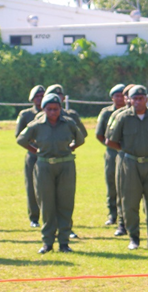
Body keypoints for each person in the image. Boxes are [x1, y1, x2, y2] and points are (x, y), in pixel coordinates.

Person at [107, 85, 148, 250]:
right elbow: (110, 141)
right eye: (134, 99)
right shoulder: (123, 117)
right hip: (130, 164)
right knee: (130, 203)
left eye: (141, 98)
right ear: (129, 100)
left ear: (146, 99)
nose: (137, 102)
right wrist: (128, 150)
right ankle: (134, 238)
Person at [17, 92, 85, 253]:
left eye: (56, 109)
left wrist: (70, 148)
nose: (53, 112)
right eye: (49, 109)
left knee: (65, 204)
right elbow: (21, 139)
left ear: (60, 108)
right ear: (43, 109)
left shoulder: (68, 123)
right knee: (47, 205)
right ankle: (47, 242)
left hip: (65, 166)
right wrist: (35, 151)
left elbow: (80, 139)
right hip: (44, 166)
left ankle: (64, 242)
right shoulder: (36, 125)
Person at [95, 84, 127, 226]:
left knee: (130, 185)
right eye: (117, 96)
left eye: (122, 96)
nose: (120, 98)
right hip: (112, 154)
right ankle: (113, 214)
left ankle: (127, 214)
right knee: (112, 184)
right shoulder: (106, 113)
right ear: (112, 98)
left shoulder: (131, 112)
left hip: (129, 153)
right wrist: (112, 146)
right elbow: (99, 134)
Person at [15, 85, 45, 228]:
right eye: (37, 96)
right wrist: (33, 149)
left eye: (42, 96)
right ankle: (34, 217)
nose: (39, 99)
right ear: (32, 99)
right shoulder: (26, 115)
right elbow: (19, 136)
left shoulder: (53, 112)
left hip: (50, 154)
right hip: (33, 155)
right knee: (32, 187)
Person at [107, 85, 134, 236]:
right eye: (129, 96)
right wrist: (123, 150)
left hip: (144, 159)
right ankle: (121, 223)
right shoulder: (117, 115)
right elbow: (108, 138)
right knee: (121, 191)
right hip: (123, 157)